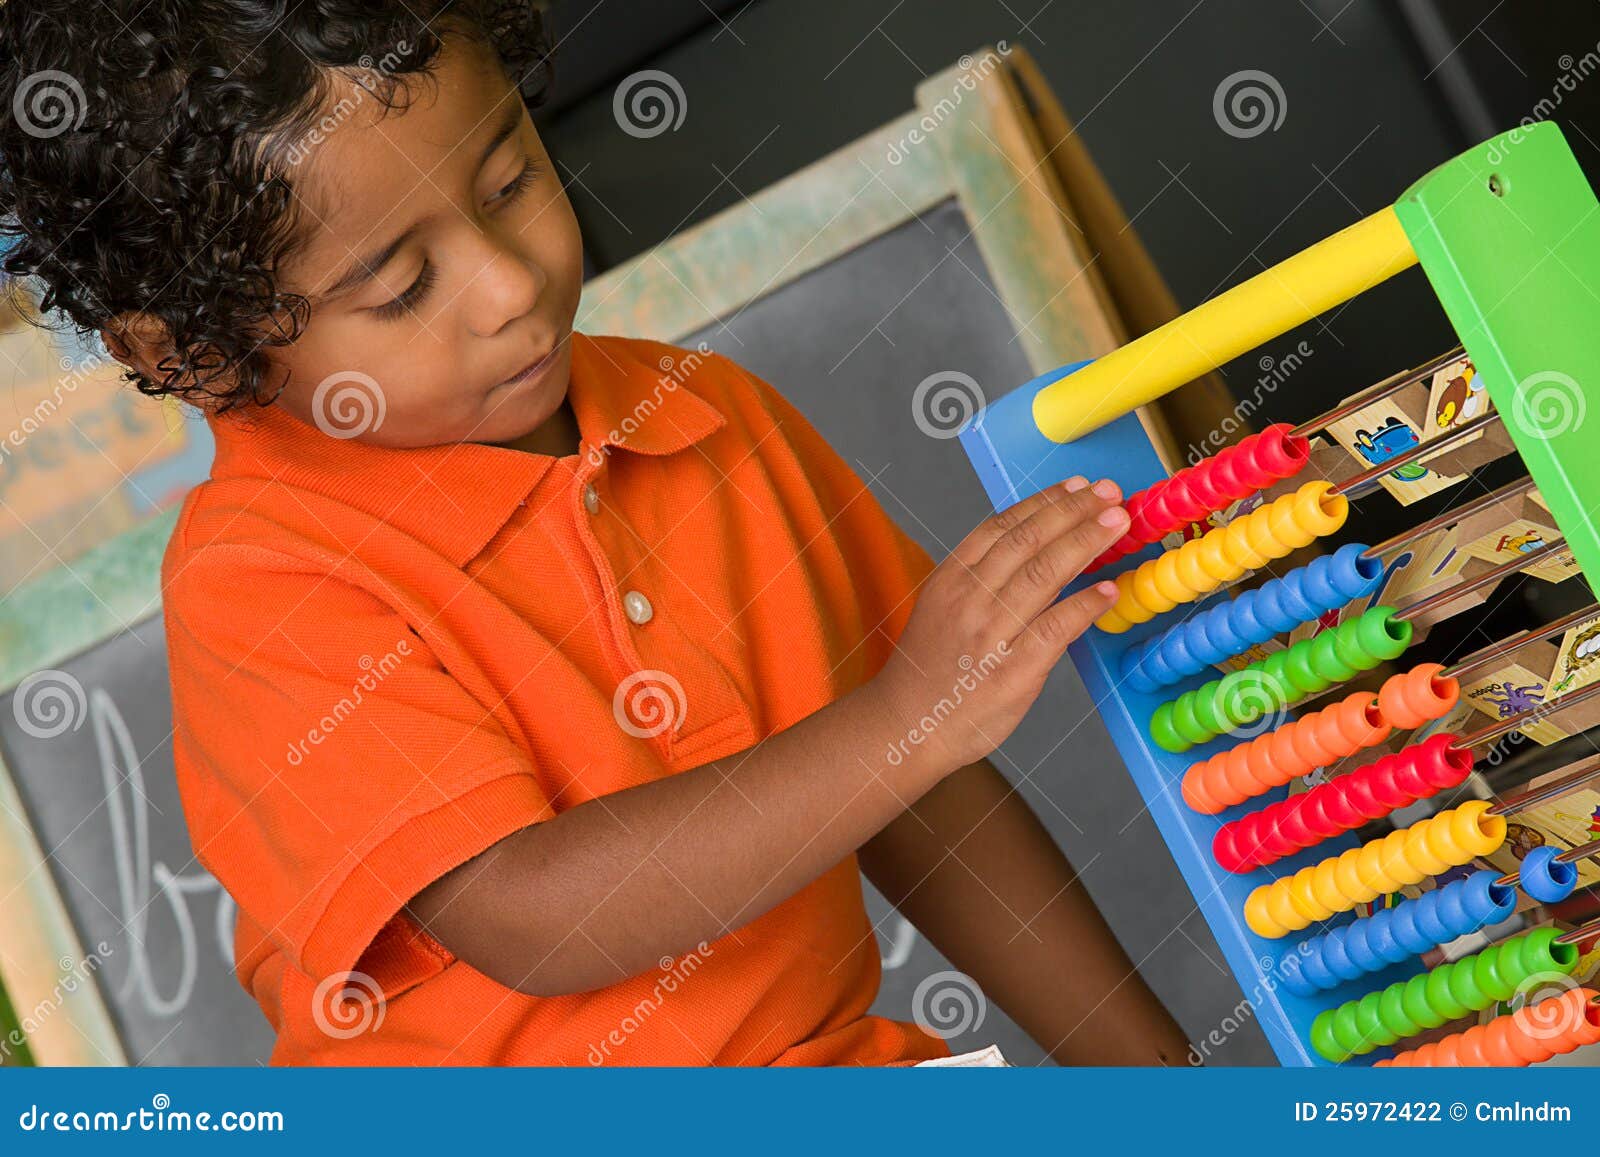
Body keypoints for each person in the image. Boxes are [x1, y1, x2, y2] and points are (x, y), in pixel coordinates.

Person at [0, 1, 1188, 1066]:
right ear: (188, 356)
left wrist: (1153, 1083)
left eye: (510, 180)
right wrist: (900, 725)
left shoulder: (708, 415)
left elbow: (923, 797)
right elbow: (527, 912)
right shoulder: (262, 583)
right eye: (401, 286)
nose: (509, 284)